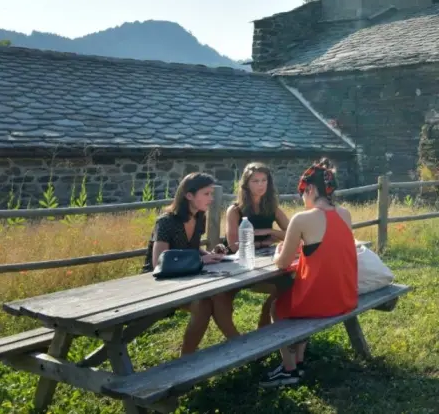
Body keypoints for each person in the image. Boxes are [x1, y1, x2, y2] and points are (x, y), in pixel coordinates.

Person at [260, 159, 357, 388]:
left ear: (311, 189)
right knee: (298, 299)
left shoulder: (302, 219)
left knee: (278, 306)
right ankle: (300, 360)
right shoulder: (345, 214)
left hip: (321, 303)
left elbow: (283, 264)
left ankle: (289, 368)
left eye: (303, 193)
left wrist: (277, 253)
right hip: (345, 297)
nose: (303, 198)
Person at [142, 172, 239, 355]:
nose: (211, 199)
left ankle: (238, 343)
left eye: (211, 194)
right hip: (158, 282)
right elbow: (159, 261)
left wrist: (210, 255)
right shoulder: (166, 222)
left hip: (186, 277)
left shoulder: (199, 217)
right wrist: (201, 259)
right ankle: (188, 358)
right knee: (203, 304)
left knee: (218, 296)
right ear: (189, 195)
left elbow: (190, 249)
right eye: (206, 194)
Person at [214, 162, 291, 331]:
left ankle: (264, 322)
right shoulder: (235, 210)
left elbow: (293, 234)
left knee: (289, 283)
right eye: (255, 181)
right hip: (237, 264)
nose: (260, 185)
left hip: (265, 262)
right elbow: (234, 246)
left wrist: (269, 231)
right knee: (222, 298)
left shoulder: (272, 208)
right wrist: (263, 241)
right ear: (246, 184)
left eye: (264, 180)